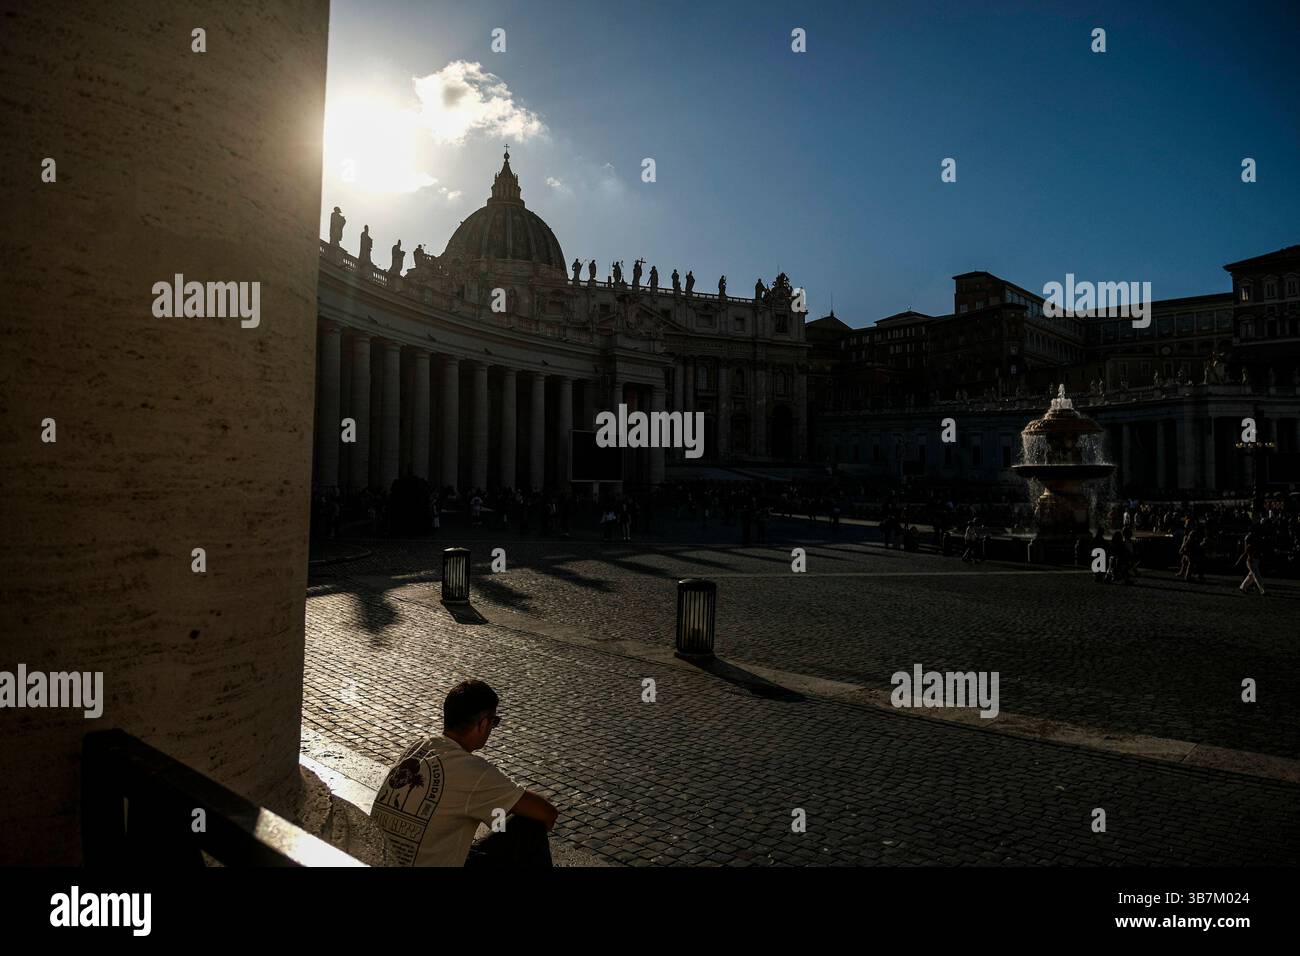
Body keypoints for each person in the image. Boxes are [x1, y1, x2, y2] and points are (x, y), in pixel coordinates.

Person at [371, 680, 558, 867]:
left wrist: (497, 813)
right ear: (483, 724)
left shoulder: (417, 748)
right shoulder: (473, 772)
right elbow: (547, 813)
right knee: (529, 826)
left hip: (380, 860)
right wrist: (504, 818)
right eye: (494, 721)